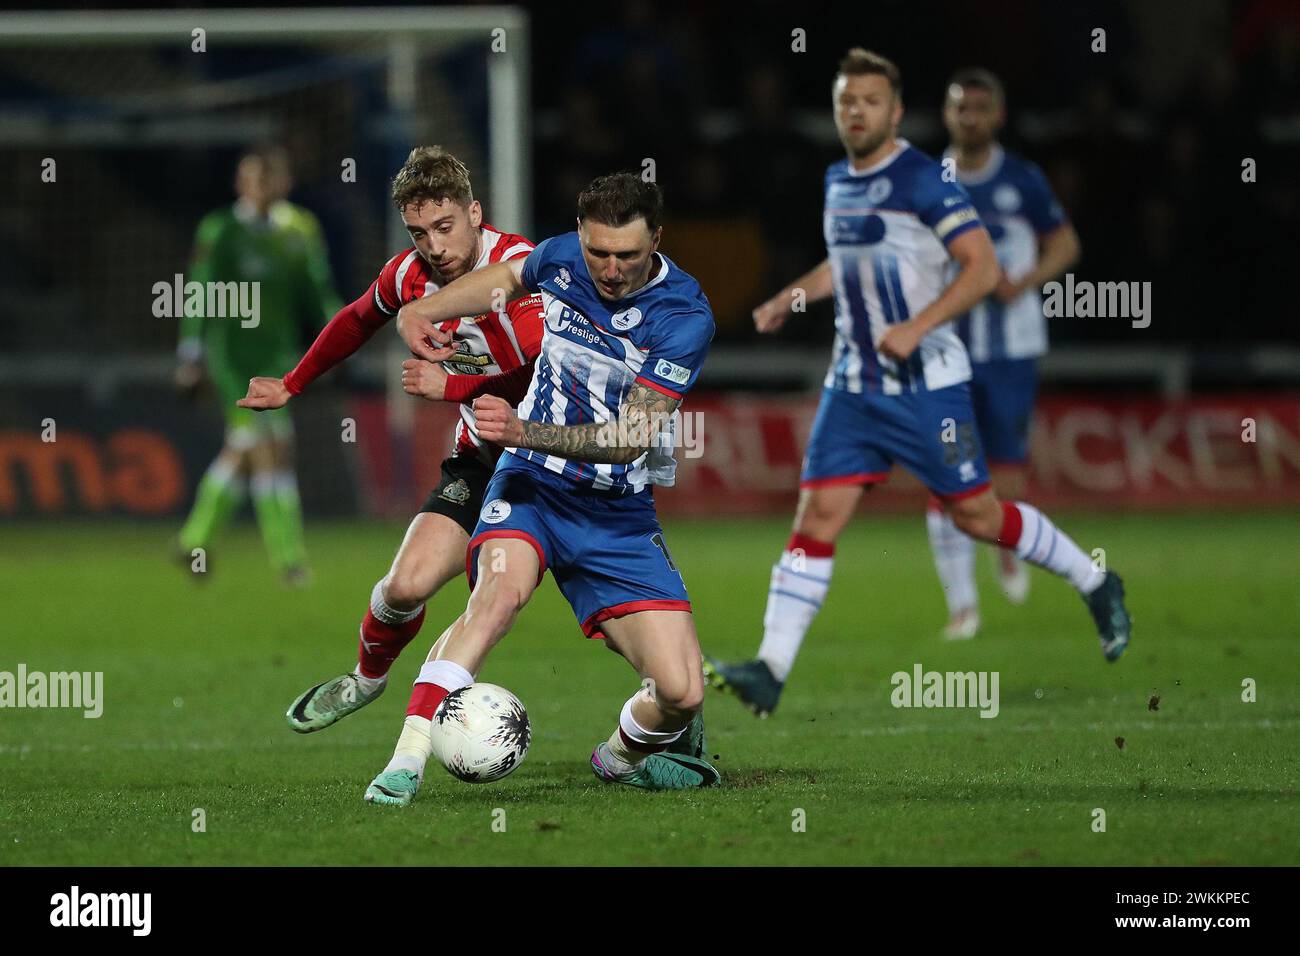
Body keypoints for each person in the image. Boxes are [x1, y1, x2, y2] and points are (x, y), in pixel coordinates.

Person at [705, 49, 1131, 718]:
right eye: (846, 100)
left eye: (870, 101)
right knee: (816, 517)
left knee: (977, 513)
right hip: (853, 386)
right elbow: (845, 265)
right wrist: (792, 294)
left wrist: (918, 324)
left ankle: (1095, 580)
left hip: (926, 385)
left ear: (895, 112)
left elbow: (982, 268)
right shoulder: (839, 179)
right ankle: (771, 668)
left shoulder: (924, 180)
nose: (856, 112)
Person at [362, 172, 720, 806]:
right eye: (598, 253)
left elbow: (631, 437)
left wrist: (523, 425)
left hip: (617, 513)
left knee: (682, 692)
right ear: (581, 237)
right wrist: (423, 308)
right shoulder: (561, 257)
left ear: (657, 241)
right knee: (495, 600)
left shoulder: (683, 316)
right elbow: (506, 278)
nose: (609, 270)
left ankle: (619, 758)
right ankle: (406, 761)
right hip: (530, 483)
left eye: (628, 256)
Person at [236, 146, 544, 731]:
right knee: (403, 587)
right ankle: (366, 679)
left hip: (565, 459)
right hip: (485, 459)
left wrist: (450, 386)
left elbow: (538, 371)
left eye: (445, 227)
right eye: (419, 232)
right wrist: (293, 384)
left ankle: (675, 707)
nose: (434, 246)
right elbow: (356, 318)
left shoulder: (521, 271)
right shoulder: (409, 275)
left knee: (618, 622)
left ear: (476, 213)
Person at [927, 67, 1082, 640]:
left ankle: (1005, 547)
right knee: (944, 467)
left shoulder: (1024, 179)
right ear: (946, 115)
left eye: (980, 108)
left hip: (1013, 347)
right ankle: (963, 606)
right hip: (945, 348)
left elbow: (1066, 243)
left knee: (1008, 472)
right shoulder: (926, 180)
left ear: (998, 115)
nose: (970, 118)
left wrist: (1026, 279)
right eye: (959, 108)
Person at [176, 146, 341, 585]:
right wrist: (191, 354)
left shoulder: (299, 229)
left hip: (279, 358)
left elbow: (318, 289)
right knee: (271, 450)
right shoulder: (222, 230)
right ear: (240, 184)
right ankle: (289, 560)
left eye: (269, 179)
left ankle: (194, 539)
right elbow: (200, 293)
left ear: (283, 183)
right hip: (232, 358)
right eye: (253, 179)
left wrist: (339, 337)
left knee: (243, 451)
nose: (261, 187)